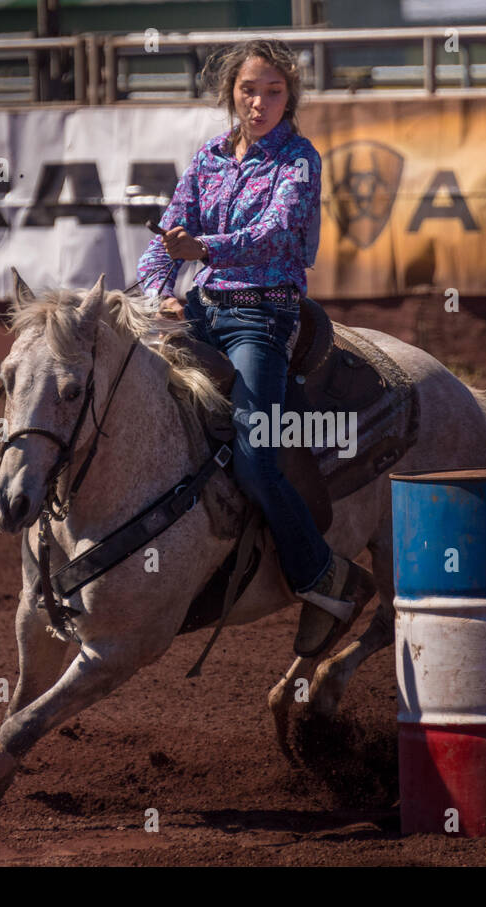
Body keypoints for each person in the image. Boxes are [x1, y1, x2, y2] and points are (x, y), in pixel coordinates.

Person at [135, 38, 374, 660]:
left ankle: (323, 573)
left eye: (273, 90)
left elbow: (272, 237)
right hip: (200, 313)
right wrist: (162, 288)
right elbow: (164, 239)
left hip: (261, 319)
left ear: (289, 96)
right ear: (230, 93)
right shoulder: (208, 158)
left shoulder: (299, 159)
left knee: (256, 455)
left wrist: (204, 251)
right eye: (249, 89)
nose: (260, 101)